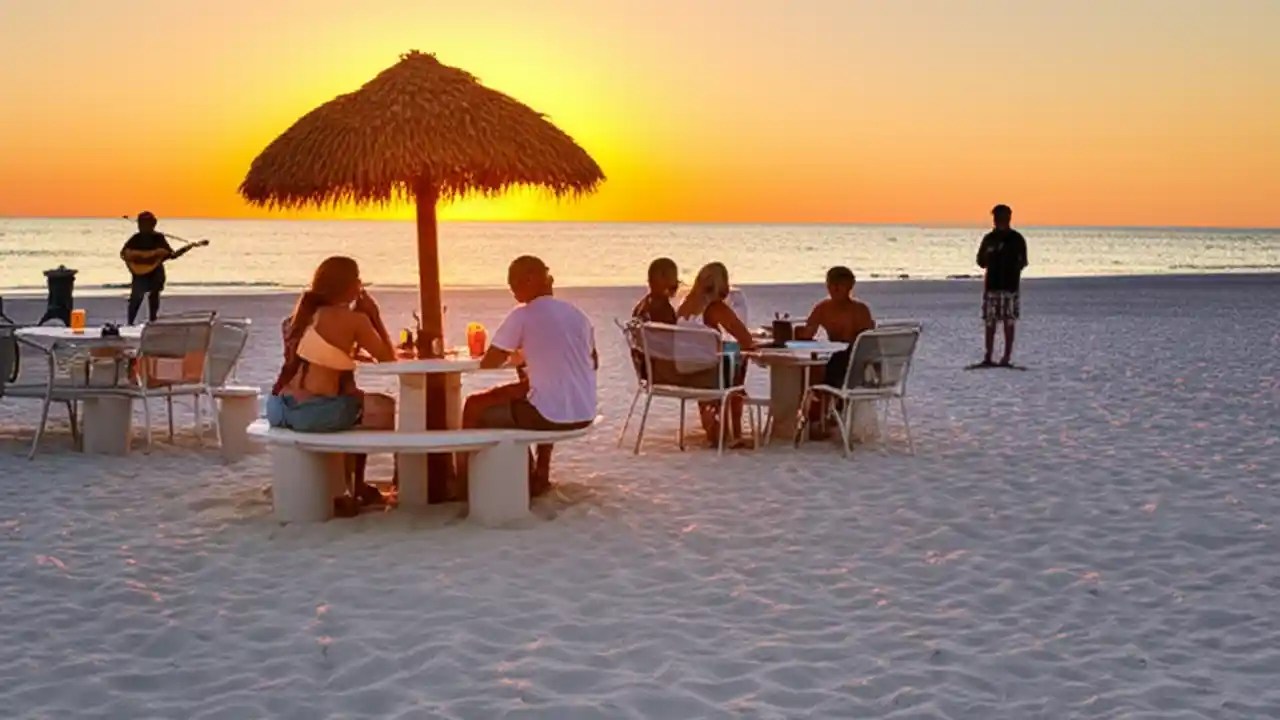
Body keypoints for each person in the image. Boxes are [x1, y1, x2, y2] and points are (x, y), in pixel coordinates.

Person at [460, 256, 598, 498]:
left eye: (513, 283)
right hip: (584, 412)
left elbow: (489, 362)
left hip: (549, 416)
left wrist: (510, 354)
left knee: (474, 407)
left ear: (530, 280)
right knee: (539, 393)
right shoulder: (578, 316)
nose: (511, 290)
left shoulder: (523, 314)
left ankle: (463, 482)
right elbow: (593, 361)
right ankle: (540, 473)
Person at [267, 256, 397, 505]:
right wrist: (374, 316)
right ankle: (357, 485)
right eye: (358, 281)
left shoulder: (296, 318)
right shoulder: (354, 320)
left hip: (279, 407)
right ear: (350, 286)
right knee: (384, 409)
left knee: (354, 401)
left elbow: (314, 357)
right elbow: (388, 358)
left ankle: (349, 485)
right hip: (313, 413)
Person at [676, 262, 757, 448]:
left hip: (687, 373)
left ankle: (713, 424)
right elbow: (744, 338)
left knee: (723, 356)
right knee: (739, 357)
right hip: (711, 376)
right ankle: (735, 431)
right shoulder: (716, 308)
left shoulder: (684, 306)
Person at [797, 266, 876, 388]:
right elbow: (808, 334)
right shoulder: (823, 308)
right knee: (809, 370)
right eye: (831, 285)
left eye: (839, 285)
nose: (835, 288)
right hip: (838, 358)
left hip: (858, 363)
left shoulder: (859, 310)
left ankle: (828, 399)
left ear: (850, 286)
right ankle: (815, 402)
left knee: (837, 361)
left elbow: (867, 343)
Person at [976, 204, 1029, 366]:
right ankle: (988, 356)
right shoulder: (989, 239)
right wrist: (989, 254)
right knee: (990, 322)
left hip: (1010, 287)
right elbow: (980, 261)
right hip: (992, 286)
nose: (998, 221)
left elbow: (1023, 262)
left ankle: (1006, 357)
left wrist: (1012, 266)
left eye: (1001, 217)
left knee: (1008, 321)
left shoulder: (1017, 239)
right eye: (997, 218)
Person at [119, 212, 191, 324]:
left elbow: (171, 255)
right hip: (139, 274)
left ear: (153, 224)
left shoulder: (158, 238)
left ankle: (152, 320)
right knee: (136, 298)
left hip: (155, 272)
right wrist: (135, 264)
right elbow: (124, 254)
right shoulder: (135, 238)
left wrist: (188, 247)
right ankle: (130, 323)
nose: (142, 227)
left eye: (145, 224)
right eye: (141, 224)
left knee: (153, 295)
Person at [629, 257, 680, 379]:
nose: (677, 286)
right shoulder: (662, 309)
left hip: (645, 369)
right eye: (674, 283)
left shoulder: (642, 306)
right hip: (661, 370)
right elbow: (672, 343)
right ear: (662, 280)